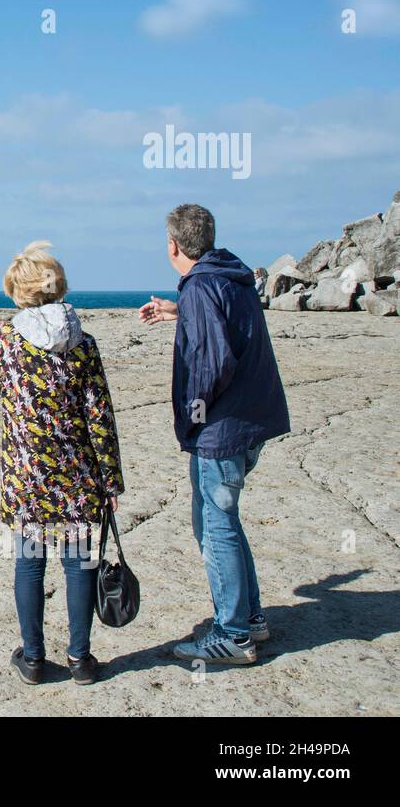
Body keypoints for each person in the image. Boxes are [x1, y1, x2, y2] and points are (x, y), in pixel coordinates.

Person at [139, 204, 290, 665]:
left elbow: (213, 362)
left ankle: (232, 633)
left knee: (214, 524)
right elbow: (222, 321)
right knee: (227, 517)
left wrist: (192, 418)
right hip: (251, 422)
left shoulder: (203, 285)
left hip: (222, 431)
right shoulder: (228, 276)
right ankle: (251, 616)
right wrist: (179, 310)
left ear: (172, 245)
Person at [0, 241, 124, 686]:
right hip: (78, 474)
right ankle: (80, 659)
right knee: (80, 563)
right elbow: (100, 416)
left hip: (27, 476)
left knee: (30, 562)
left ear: (19, 291)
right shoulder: (84, 342)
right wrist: (111, 482)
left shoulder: (4, 340)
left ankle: (34, 659)